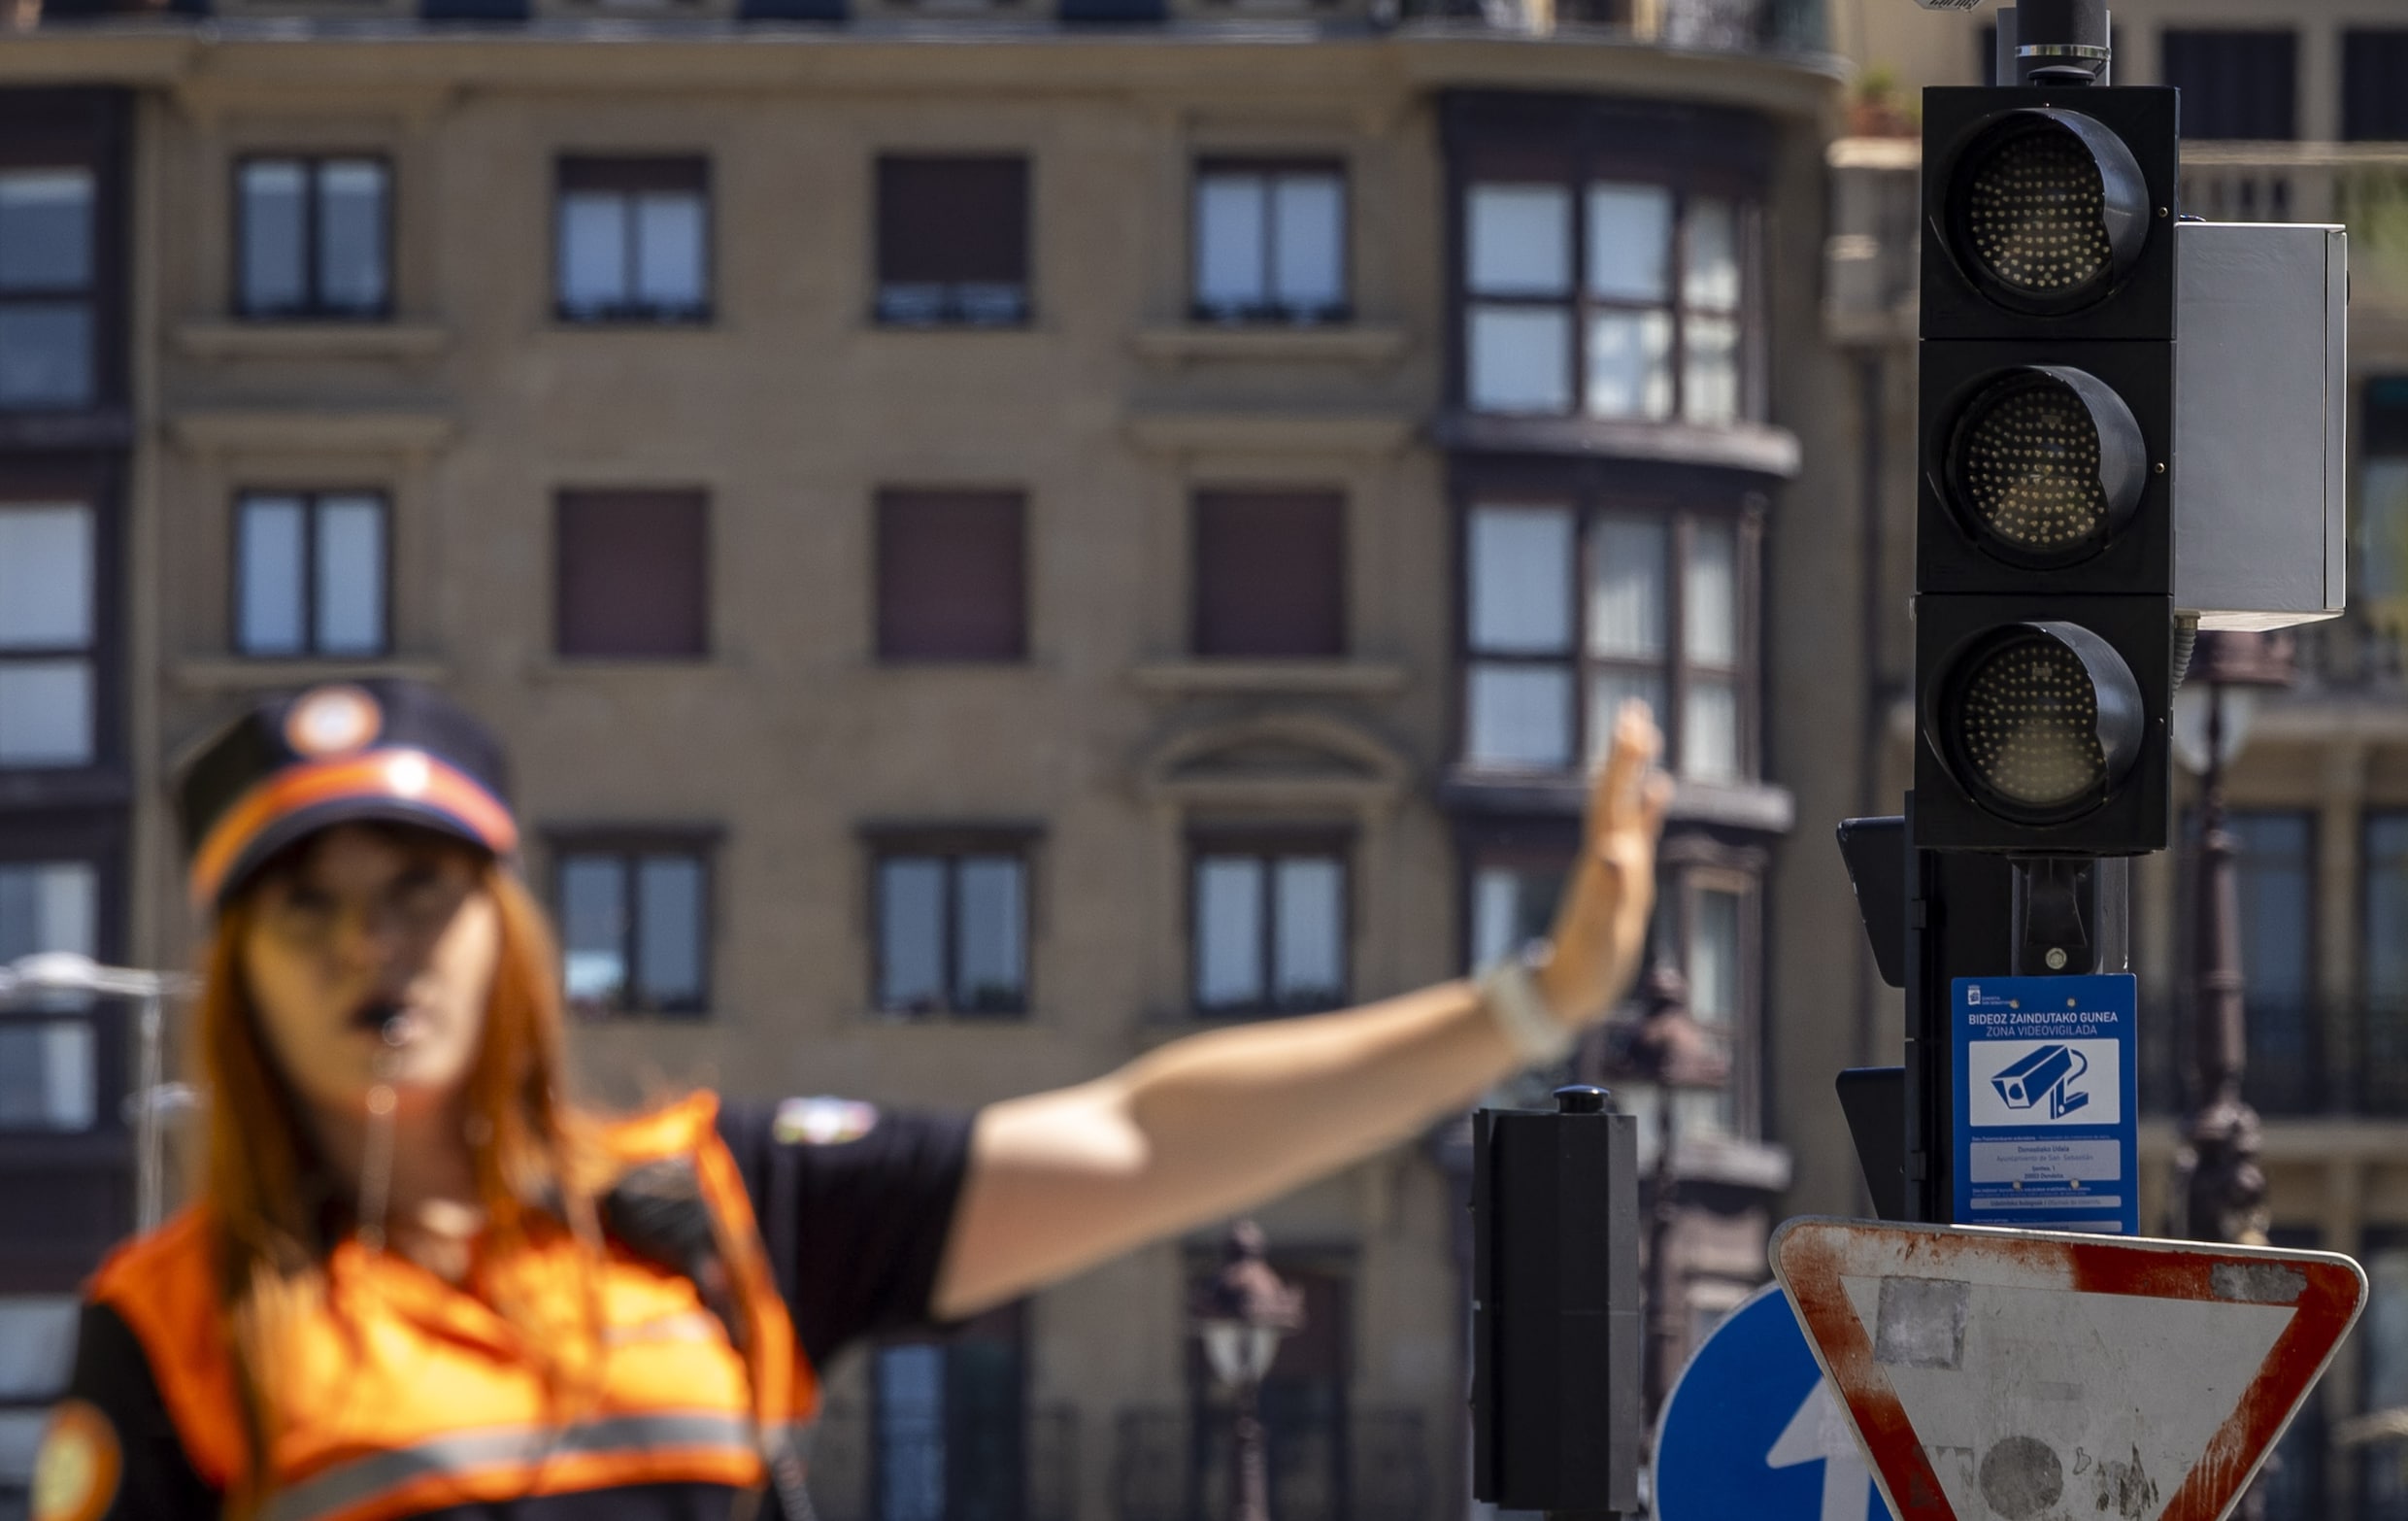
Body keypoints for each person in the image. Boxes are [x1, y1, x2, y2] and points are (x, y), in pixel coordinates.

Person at [31, 678, 1669, 1521]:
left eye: (415, 890)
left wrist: (1533, 998)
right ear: (235, 970)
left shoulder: (701, 1209)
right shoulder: (177, 1323)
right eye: (302, 907)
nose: (365, 945)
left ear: (504, 933)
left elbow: (1141, 1137)